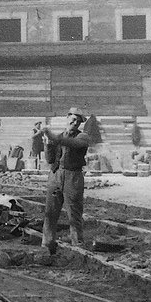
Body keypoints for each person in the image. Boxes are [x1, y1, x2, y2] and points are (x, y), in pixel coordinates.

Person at [40, 107, 90, 256]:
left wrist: (53, 137)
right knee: (50, 213)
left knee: (74, 214)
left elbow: (72, 144)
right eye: (73, 119)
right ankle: (46, 246)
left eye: (78, 121)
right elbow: (49, 159)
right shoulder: (59, 136)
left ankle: (78, 248)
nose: (75, 123)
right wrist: (48, 143)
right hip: (55, 175)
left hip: (73, 177)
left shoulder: (83, 137)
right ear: (67, 117)